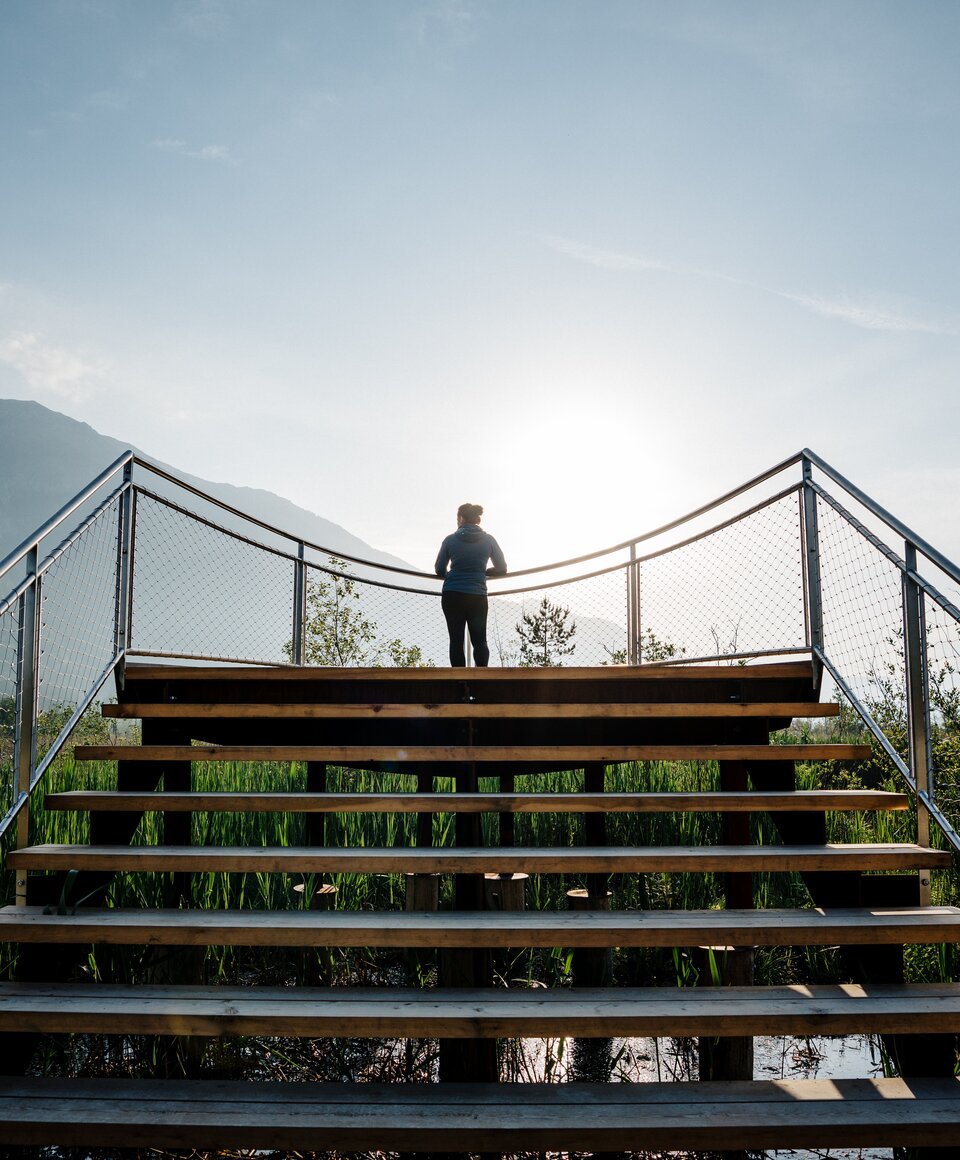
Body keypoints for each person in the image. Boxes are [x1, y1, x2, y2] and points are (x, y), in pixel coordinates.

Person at [435, 503, 507, 667]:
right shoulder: (489, 540)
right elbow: (502, 568)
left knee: (456, 640)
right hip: (477, 595)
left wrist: (453, 576)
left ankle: (459, 682)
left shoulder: (450, 540)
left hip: (452, 594)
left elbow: (439, 569)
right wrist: (485, 572)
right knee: (480, 640)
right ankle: (481, 678)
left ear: (461, 518)